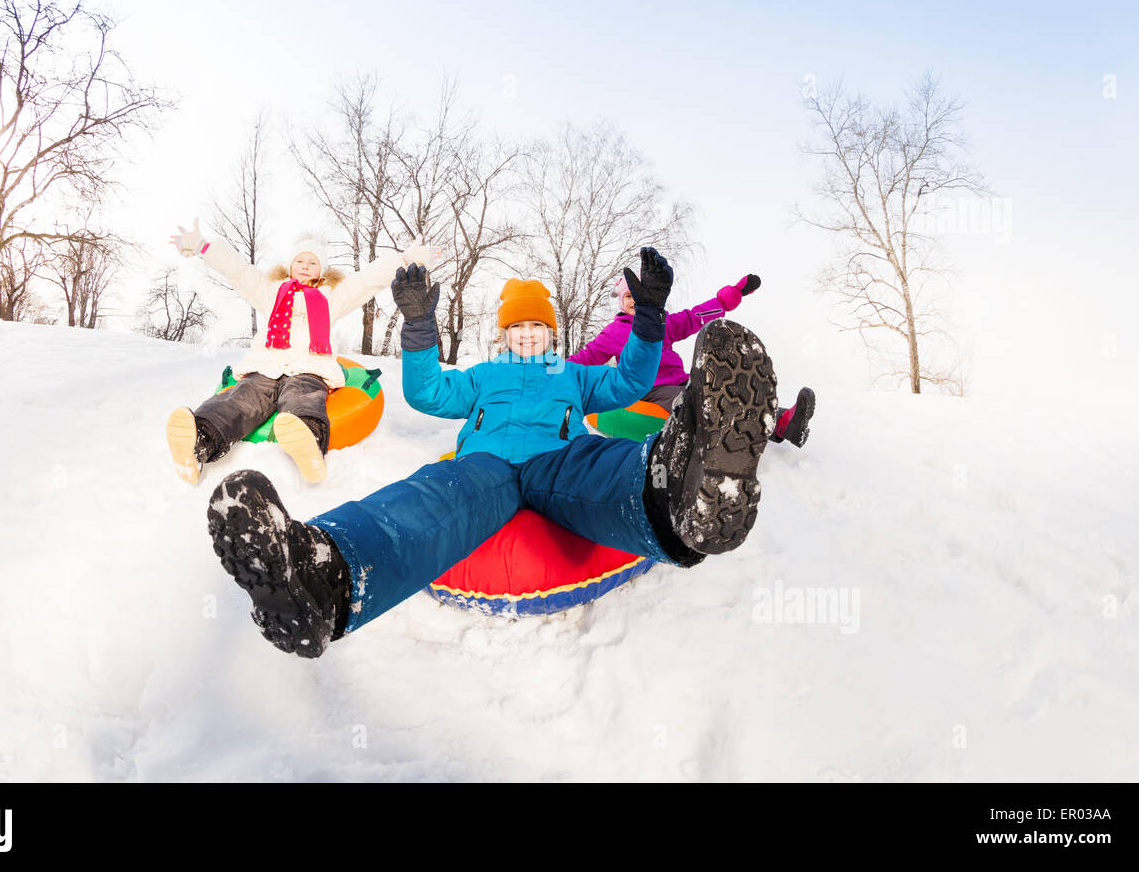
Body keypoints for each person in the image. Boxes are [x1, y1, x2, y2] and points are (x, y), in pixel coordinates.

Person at [205, 248, 782, 658]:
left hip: (558, 459)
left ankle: (685, 493)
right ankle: (319, 577)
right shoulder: (483, 376)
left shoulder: (573, 374)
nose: (528, 333)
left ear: (549, 332)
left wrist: (649, 320)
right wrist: (419, 326)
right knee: (431, 498)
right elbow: (427, 393)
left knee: (605, 466)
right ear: (505, 333)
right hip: (487, 467)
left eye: (537, 325)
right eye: (519, 326)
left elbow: (629, 383)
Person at [165, 219, 436, 485]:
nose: (305, 266)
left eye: (312, 262)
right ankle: (199, 441)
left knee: (303, 398)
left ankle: (308, 444)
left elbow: (366, 281)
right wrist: (203, 246)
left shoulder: (331, 298)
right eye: (300, 261)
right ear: (290, 265)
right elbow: (239, 272)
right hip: (266, 367)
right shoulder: (271, 293)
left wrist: (404, 259)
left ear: (322, 270)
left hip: (309, 368)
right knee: (242, 399)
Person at [569, 271, 816, 447]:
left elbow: (693, 317)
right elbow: (588, 357)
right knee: (697, 402)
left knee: (724, 392)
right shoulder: (615, 331)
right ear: (622, 303)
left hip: (681, 382)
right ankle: (722, 435)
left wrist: (725, 301)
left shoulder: (662, 323)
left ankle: (783, 422)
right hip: (649, 390)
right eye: (628, 297)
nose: (635, 302)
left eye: (639, 296)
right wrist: (554, 372)